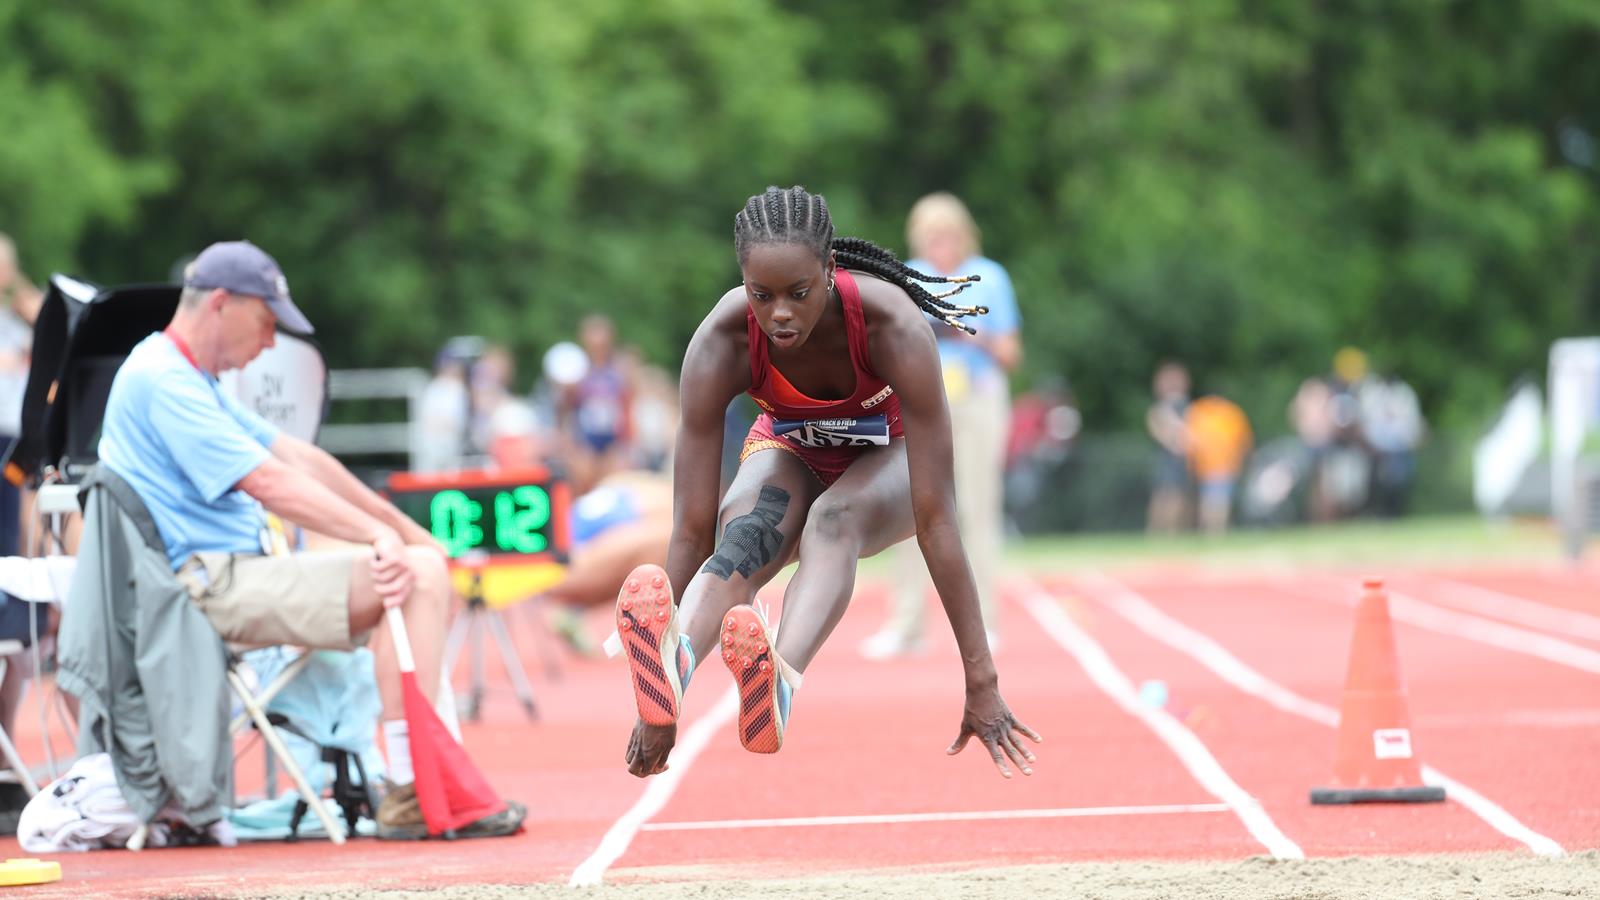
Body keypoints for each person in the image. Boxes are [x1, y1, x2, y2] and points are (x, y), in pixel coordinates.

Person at [96, 240, 523, 839]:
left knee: (417, 565)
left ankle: (417, 783)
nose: (271, 342)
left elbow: (298, 457)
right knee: (416, 577)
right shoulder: (163, 378)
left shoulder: (186, 375)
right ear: (220, 303)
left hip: (229, 576)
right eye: (266, 322)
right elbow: (269, 482)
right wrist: (380, 536)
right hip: (200, 591)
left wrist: (405, 530)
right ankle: (413, 790)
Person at [616, 186, 1039, 779]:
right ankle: (677, 658)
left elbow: (937, 519)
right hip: (792, 448)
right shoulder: (721, 342)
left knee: (833, 521)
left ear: (830, 269)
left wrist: (982, 678)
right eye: (762, 295)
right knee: (743, 535)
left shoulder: (892, 325)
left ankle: (778, 682)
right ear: (743, 282)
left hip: (889, 454)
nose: (780, 315)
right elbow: (691, 526)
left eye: (799, 293)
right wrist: (661, 704)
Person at [859, 193, 1022, 658]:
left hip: (977, 398)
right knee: (913, 509)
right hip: (921, 399)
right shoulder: (908, 275)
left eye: (948, 236)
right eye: (932, 238)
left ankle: (984, 624)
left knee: (976, 508)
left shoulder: (989, 277)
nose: (940, 246)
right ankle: (908, 624)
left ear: (964, 236)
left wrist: (966, 329)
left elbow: (1011, 353)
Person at [1184, 394, 1253, 535]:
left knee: (1216, 500)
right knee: (1217, 501)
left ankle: (1213, 530)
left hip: (1218, 467)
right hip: (1213, 467)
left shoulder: (1202, 413)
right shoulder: (1227, 414)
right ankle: (1214, 531)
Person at [1145, 362, 1191, 534]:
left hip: (1183, 460)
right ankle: (1157, 531)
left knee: (1180, 496)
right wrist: (1173, 444)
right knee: (1164, 495)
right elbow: (1155, 426)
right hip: (1168, 459)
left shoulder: (1185, 406)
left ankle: (1174, 532)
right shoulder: (1163, 407)